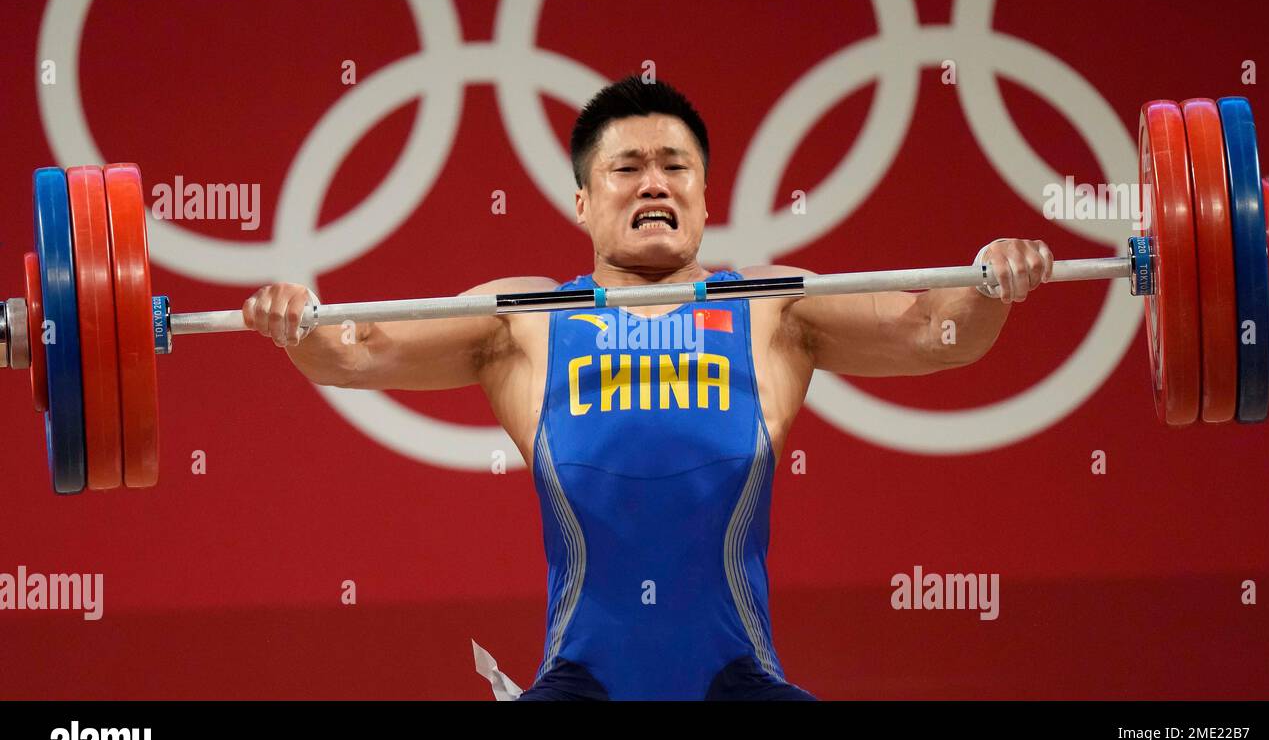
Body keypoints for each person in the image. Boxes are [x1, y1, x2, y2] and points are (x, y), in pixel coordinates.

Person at [243, 75, 1053, 700]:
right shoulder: (526, 320)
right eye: (627, 168)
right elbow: (353, 352)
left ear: (704, 195)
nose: (654, 184)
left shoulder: (769, 307)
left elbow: (933, 332)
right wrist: (295, 321)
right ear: (582, 202)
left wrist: (991, 282)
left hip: (739, 683)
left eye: (676, 167)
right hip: (580, 686)